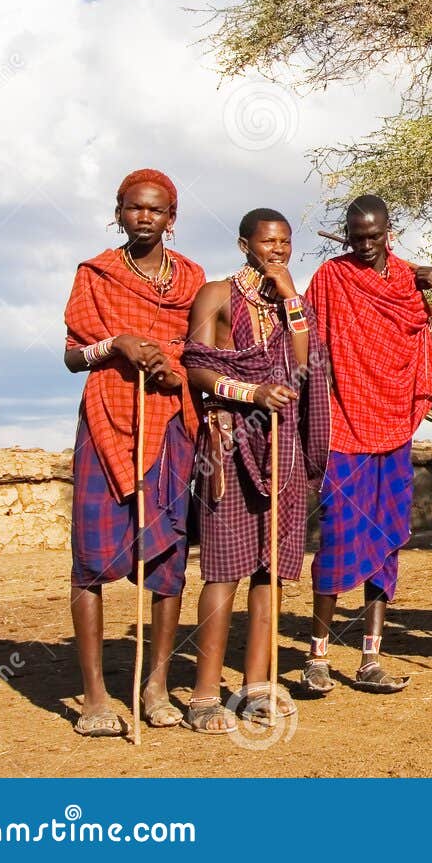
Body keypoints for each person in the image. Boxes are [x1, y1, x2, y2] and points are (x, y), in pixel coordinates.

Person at [62, 168, 203, 737]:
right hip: (107, 420)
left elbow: (203, 348)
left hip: (169, 420)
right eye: (134, 208)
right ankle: (95, 697)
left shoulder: (193, 279)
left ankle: (156, 685)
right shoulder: (95, 275)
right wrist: (117, 345)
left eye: (156, 210)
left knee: (169, 556)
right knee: (90, 558)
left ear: (172, 218)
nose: (145, 217)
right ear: (118, 212)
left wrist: (173, 369)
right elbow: (72, 357)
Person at [181, 208, 330, 733]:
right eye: (268, 242)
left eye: (286, 242)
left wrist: (289, 293)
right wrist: (250, 392)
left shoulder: (295, 305)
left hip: (281, 446)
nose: (278, 250)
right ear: (245, 243)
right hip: (228, 443)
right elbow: (195, 366)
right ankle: (203, 696)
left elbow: (302, 364)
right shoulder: (216, 293)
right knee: (223, 570)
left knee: (270, 570)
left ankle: (255, 686)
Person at [301, 195, 432, 694]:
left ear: (390, 231)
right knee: (339, 537)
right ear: (347, 233)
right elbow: (310, 347)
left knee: (386, 541)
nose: (365, 245)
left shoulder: (410, 281)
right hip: (345, 428)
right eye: (357, 236)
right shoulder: (329, 279)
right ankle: (317, 657)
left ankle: (369, 659)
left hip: (394, 432)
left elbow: (429, 345)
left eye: (375, 236)